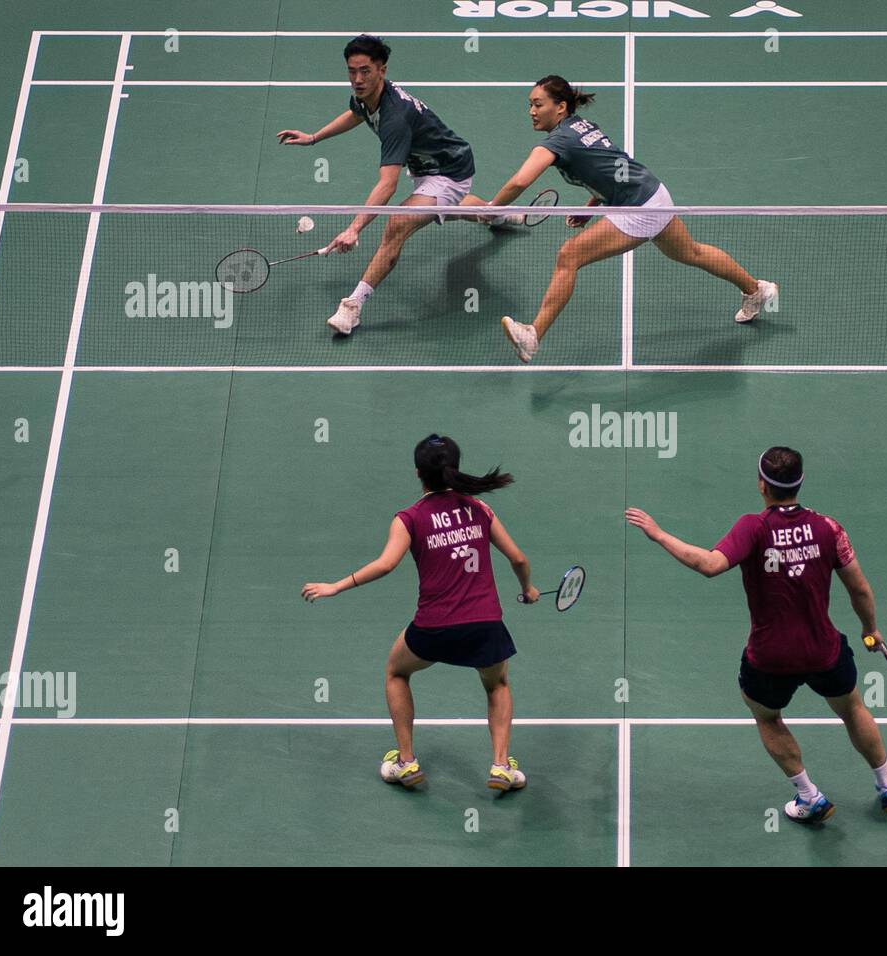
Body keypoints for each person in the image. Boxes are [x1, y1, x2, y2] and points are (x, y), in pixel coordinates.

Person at [624, 446, 887, 822]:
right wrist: (870, 629)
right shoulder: (828, 527)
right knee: (852, 709)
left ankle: (810, 796)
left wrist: (659, 535)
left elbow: (708, 565)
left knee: (767, 717)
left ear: (762, 485)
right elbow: (860, 589)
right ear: (800, 483)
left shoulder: (753, 528)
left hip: (769, 657)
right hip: (824, 650)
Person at [302, 434, 536, 793]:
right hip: (484, 625)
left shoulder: (409, 518)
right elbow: (518, 558)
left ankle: (407, 762)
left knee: (396, 672)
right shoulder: (479, 509)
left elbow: (385, 564)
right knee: (497, 685)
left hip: (433, 627)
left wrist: (337, 585)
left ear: (418, 473)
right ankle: (501, 766)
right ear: (454, 470)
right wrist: (527, 590)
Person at [488, 75, 778, 363]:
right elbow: (609, 165)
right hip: (652, 192)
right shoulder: (582, 126)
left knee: (569, 255)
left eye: (538, 104)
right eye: (530, 105)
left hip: (638, 205)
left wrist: (491, 210)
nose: (532, 111)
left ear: (561, 107)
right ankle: (757, 289)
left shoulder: (558, 141)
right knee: (691, 252)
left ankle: (533, 335)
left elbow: (519, 182)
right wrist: (594, 201)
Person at [277, 35, 518, 336]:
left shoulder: (394, 119)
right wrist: (314, 137)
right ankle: (498, 214)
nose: (357, 79)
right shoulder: (368, 97)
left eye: (365, 71)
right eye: (352, 71)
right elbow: (356, 113)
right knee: (444, 209)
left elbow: (387, 186)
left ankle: (352, 307)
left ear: (382, 70)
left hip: (449, 171)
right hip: (427, 165)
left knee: (399, 222)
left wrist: (354, 228)